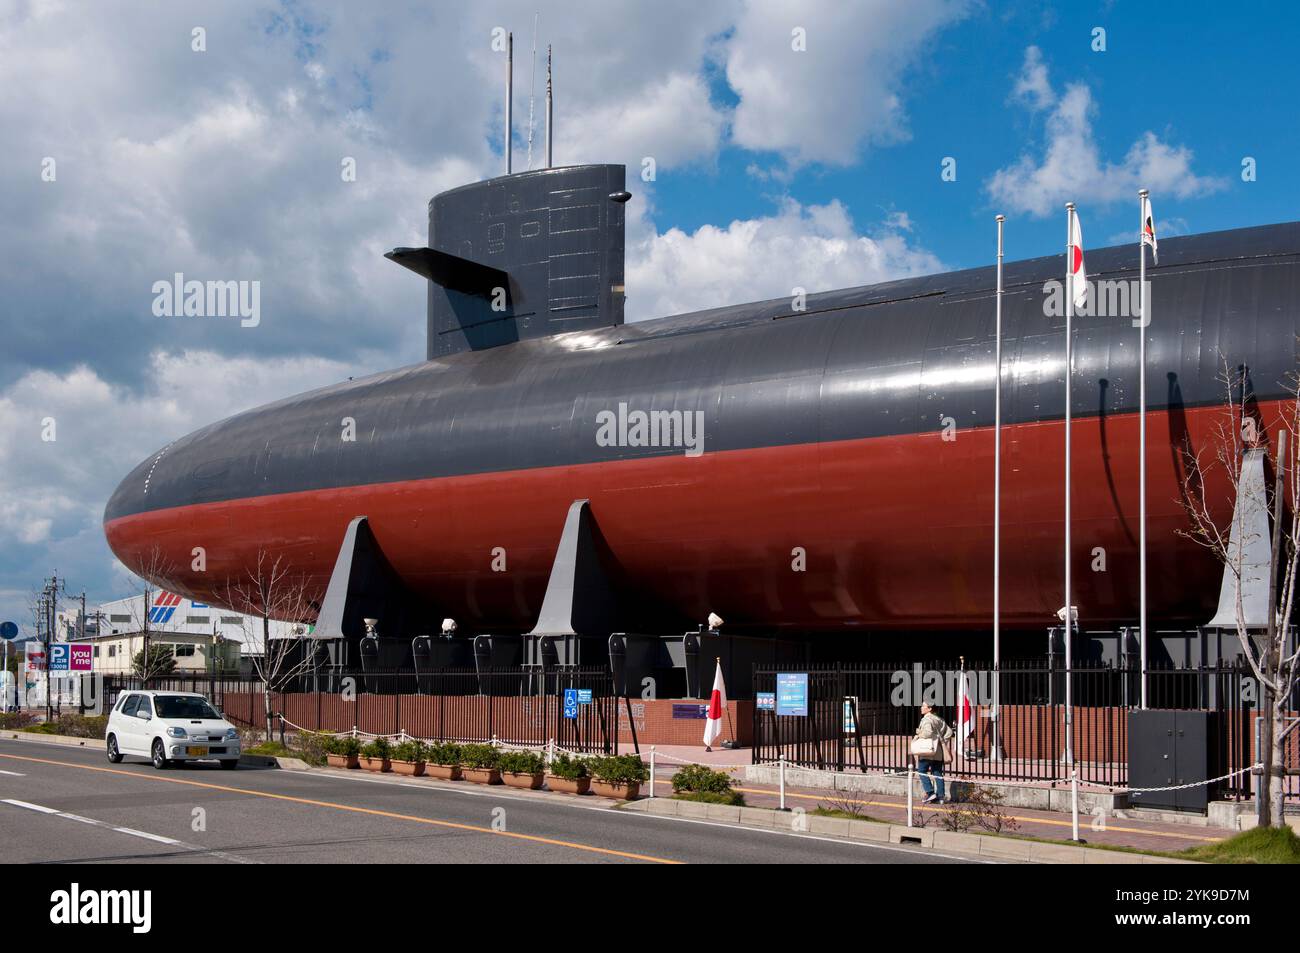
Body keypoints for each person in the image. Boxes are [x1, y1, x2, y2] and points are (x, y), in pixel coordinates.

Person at [913, 702, 954, 803]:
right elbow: (949, 732)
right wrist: (941, 740)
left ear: (930, 708)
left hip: (927, 750)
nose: (921, 708)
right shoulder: (940, 719)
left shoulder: (927, 719)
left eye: (923, 706)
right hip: (938, 750)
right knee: (937, 773)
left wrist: (918, 734)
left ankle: (930, 792)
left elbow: (927, 733)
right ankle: (941, 797)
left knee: (922, 771)